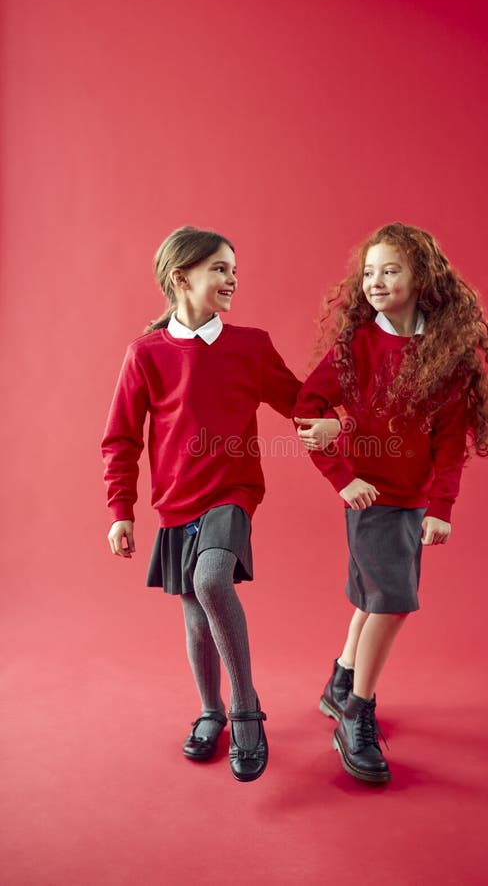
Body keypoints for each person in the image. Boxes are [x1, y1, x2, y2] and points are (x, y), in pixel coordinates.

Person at [101, 225, 336, 782]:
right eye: (220, 269)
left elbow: (297, 400)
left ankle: (245, 708)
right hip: (175, 502)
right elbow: (121, 439)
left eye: (234, 269)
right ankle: (211, 711)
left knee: (210, 581)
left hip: (233, 491)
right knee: (195, 622)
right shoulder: (145, 355)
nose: (232, 279)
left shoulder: (250, 345)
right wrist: (120, 512)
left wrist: (329, 418)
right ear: (181, 277)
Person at [294, 222, 488, 784]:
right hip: (370, 499)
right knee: (392, 604)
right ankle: (356, 711)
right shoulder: (356, 347)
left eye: (389, 270)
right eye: (368, 272)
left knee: (375, 599)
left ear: (421, 278)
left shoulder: (446, 355)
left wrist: (441, 507)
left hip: (412, 501)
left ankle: (340, 682)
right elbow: (308, 409)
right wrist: (342, 478)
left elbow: (450, 440)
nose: (375, 281)